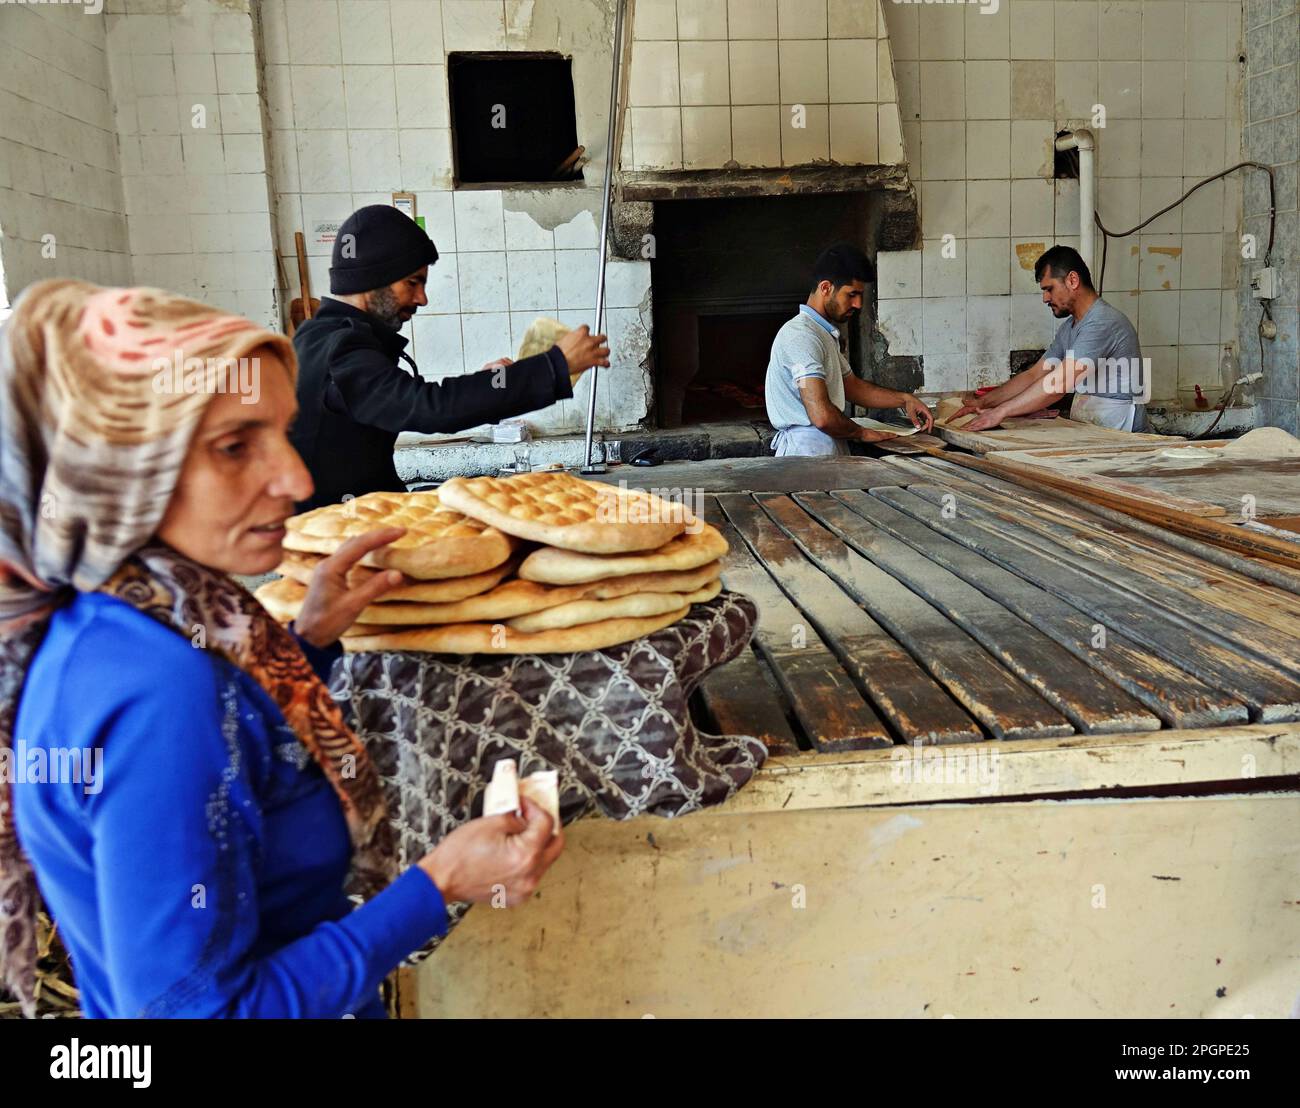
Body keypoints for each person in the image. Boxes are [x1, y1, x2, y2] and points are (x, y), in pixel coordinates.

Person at [0, 280, 563, 1018]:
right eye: (235, 447)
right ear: (110, 465)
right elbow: (198, 1012)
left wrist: (308, 644)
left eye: (281, 433)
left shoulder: (119, 618)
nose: (296, 480)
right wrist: (438, 885)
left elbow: (238, 765)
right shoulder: (159, 688)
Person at [291, 205, 610, 509]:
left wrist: (491, 382)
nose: (422, 298)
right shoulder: (342, 349)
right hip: (340, 542)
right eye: (412, 282)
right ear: (372, 279)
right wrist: (554, 365)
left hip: (359, 523)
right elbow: (432, 407)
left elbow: (414, 400)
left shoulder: (318, 336)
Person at [953, 245, 1146, 431]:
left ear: (1072, 280)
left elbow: (1059, 384)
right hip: (1094, 429)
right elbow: (1034, 375)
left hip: (1124, 433)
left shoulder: (1102, 322)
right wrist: (983, 403)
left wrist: (1000, 412)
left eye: (1049, 289)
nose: (1045, 298)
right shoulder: (1069, 328)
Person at [764, 243, 933, 457]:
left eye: (860, 295)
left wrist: (905, 399)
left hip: (824, 446)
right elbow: (822, 416)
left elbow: (851, 386)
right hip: (807, 452)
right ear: (826, 288)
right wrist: (860, 433)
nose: (858, 304)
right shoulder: (801, 336)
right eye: (851, 294)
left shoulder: (822, 333)